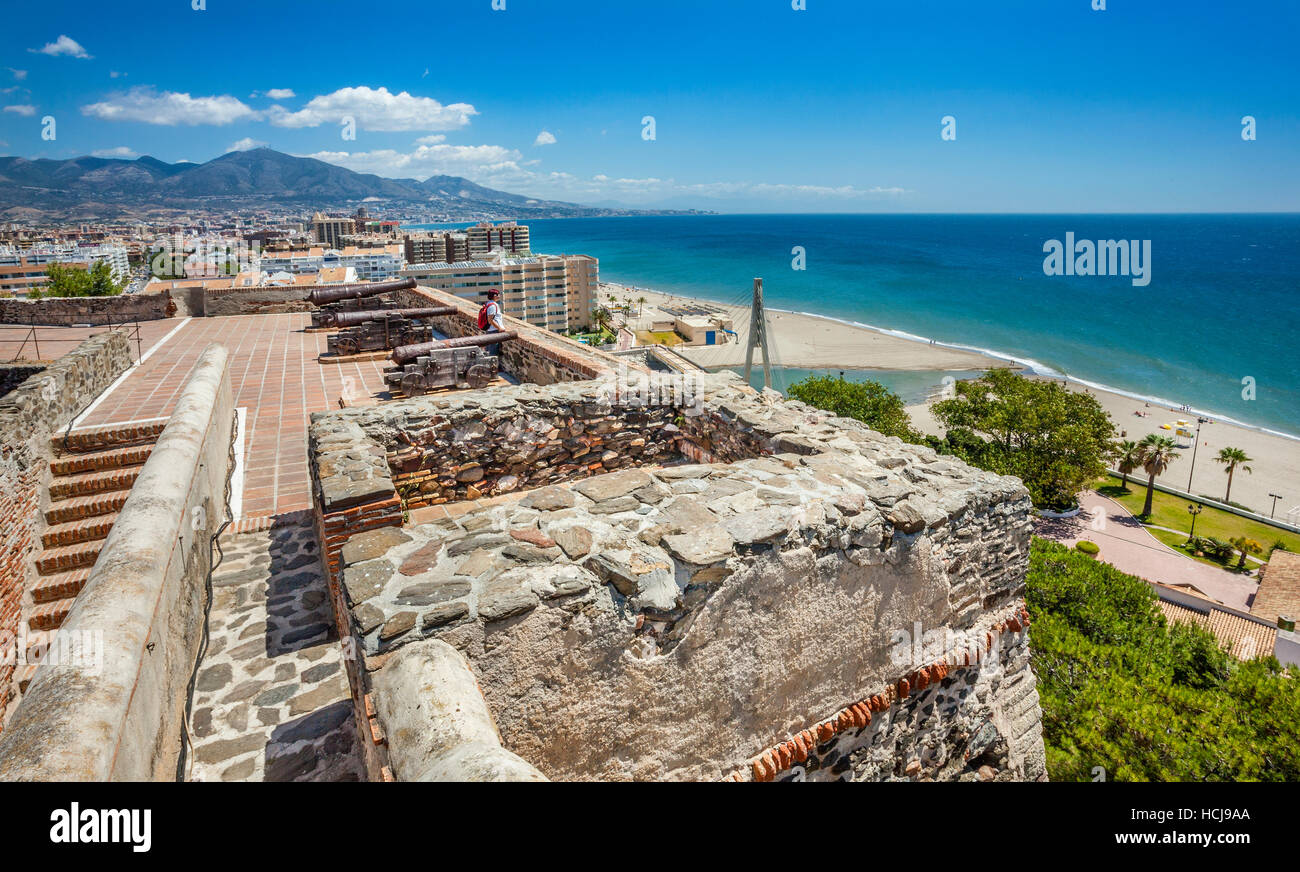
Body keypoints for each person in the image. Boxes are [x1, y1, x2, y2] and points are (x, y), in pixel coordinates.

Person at [479, 288, 505, 356]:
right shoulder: (493, 306)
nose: (499, 295)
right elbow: (490, 320)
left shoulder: (488, 303)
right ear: (494, 296)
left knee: (490, 351)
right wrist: (499, 328)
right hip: (493, 331)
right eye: (498, 294)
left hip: (491, 330)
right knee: (492, 353)